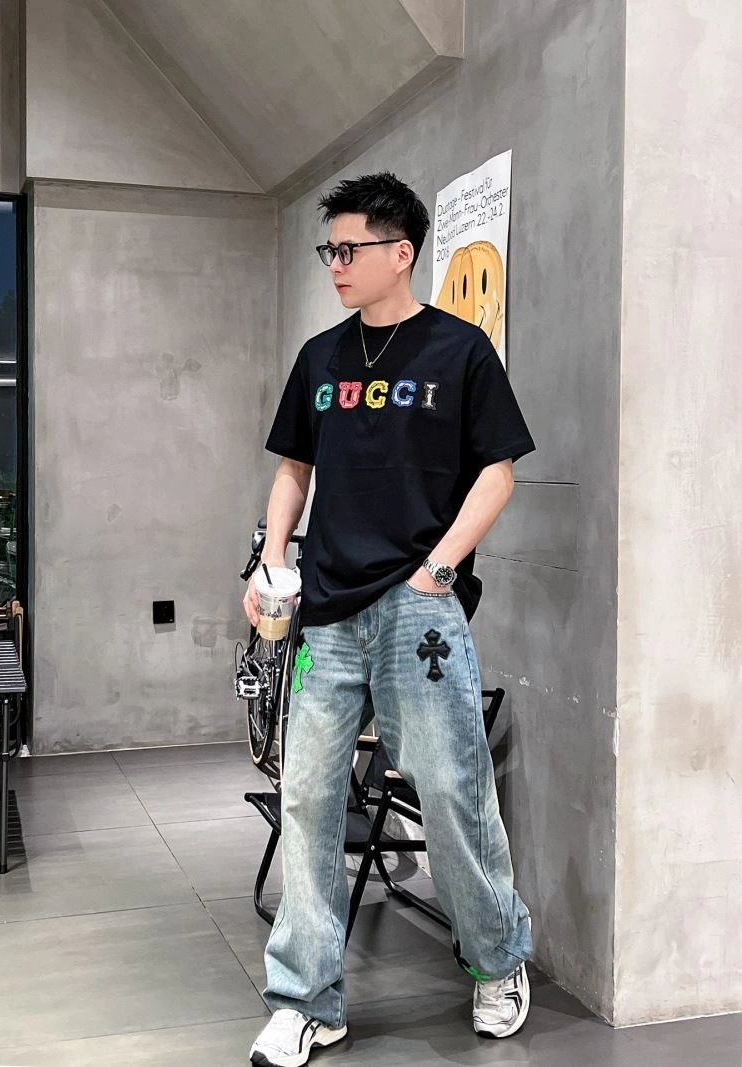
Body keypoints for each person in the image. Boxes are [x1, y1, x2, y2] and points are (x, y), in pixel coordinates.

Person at [245, 172, 536, 1067]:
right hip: (326, 614)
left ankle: (497, 959)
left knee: (450, 788)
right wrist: (274, 558)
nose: (335, 262)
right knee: (309, 798)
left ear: (400, 253)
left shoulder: (460, 352)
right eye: (329, 248)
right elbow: (293, 469)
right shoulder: (320, 358)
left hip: (420, 611)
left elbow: (498, 473)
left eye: (349, 248)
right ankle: (306, 998)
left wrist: (437, 569)